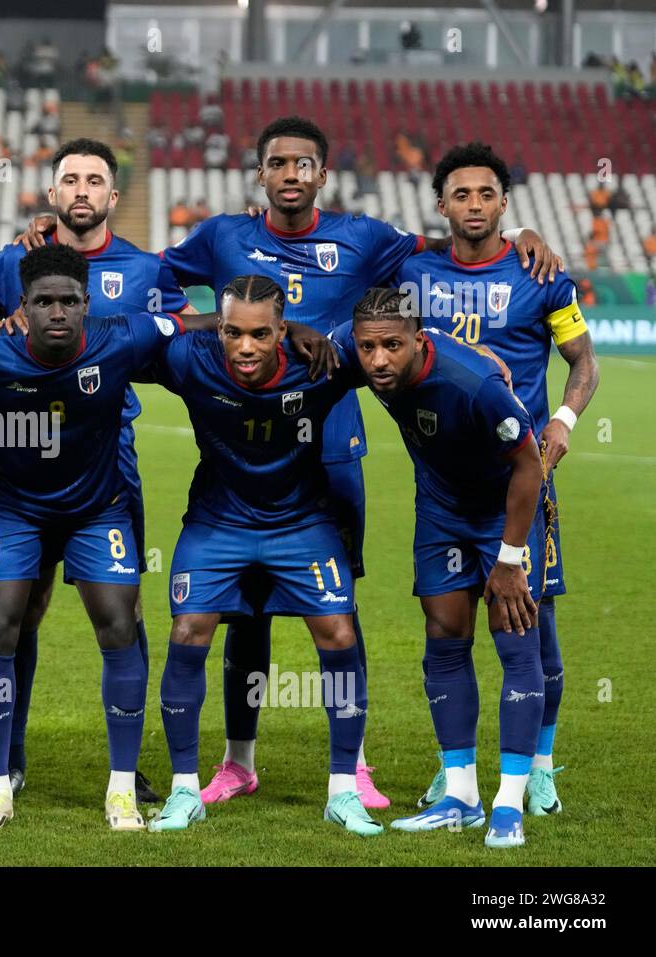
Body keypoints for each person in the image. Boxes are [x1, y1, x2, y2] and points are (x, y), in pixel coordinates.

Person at [158, 115, 560, 810]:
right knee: (241, 609)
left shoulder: (365, 238)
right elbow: (153, 281)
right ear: (260, 173)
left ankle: (356, 764)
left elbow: (449, 245)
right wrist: (216, 330)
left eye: (304, 163)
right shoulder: (223, 236)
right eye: (278, 163)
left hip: (333, 452)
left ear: (322, 174)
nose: (291, 174)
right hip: (247, 451)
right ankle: (237, 759)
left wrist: (517, 238)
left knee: (336, 609)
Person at [0, 244, 185, 830]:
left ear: (86, 304)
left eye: (69, 301)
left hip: (98, 511)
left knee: (120, 626)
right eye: (43, 301)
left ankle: (121, 788)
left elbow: (197, 325)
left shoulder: (120, 336)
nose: (57, 312)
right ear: (23, 306)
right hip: (12, 512)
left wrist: (288, 329)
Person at [394, 142, 599, 818]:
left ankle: (538, 765)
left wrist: (566, 419)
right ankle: (457, 777)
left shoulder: (541, 276)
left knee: (533, 632)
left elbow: (583, 362)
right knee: (445, 632)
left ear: (505, 202)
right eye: (461, 195)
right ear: (441, 204)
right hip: (442, 483)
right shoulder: (413, 270)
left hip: (522, 478)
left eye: (487, 195)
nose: (475, 205)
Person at [146, 275, 379, 836]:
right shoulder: (187, 359)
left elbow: (397, 344)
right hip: (218, 520)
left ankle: (344, 790)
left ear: (283, 331)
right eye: (232, 332)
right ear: (217, 329)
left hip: (301, 521)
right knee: (188, 631)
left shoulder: (322, 362)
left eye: (260, 334)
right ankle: (183, 791)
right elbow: (114, 339)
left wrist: (479, 357)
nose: (245, 348)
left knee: (340, 635)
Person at [336, 289, 547, 848]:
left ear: (419, 342)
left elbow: (530, 467)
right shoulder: (358, 351)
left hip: (506, 514)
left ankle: (508, 802)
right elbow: (309, 344)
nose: (378, 361)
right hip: (439, 510)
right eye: (368, 348)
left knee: (516, 642)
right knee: (445, 639)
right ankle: (462, 796)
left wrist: (508, 559)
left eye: (392, 347)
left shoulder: (473, 384)